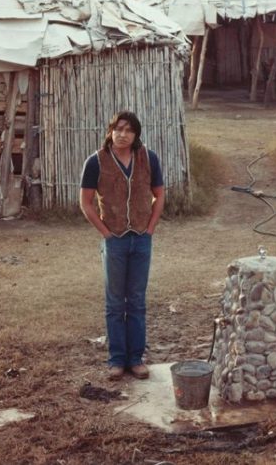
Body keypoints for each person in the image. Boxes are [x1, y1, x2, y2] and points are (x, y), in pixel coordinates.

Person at [79, 111, 165, 381]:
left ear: (136, 134)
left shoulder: (149, 159)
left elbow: (159, 194)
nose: (122, 134)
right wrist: (106, 233)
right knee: (115, 302)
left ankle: (136, 359)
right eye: (118, 128)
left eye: (128, 130)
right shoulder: (95, 162)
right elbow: (86, 202)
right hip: (114, 240)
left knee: (137, 301)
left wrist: (150, 229)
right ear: (110, 131)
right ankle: (116, 360)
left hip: (141, 238)